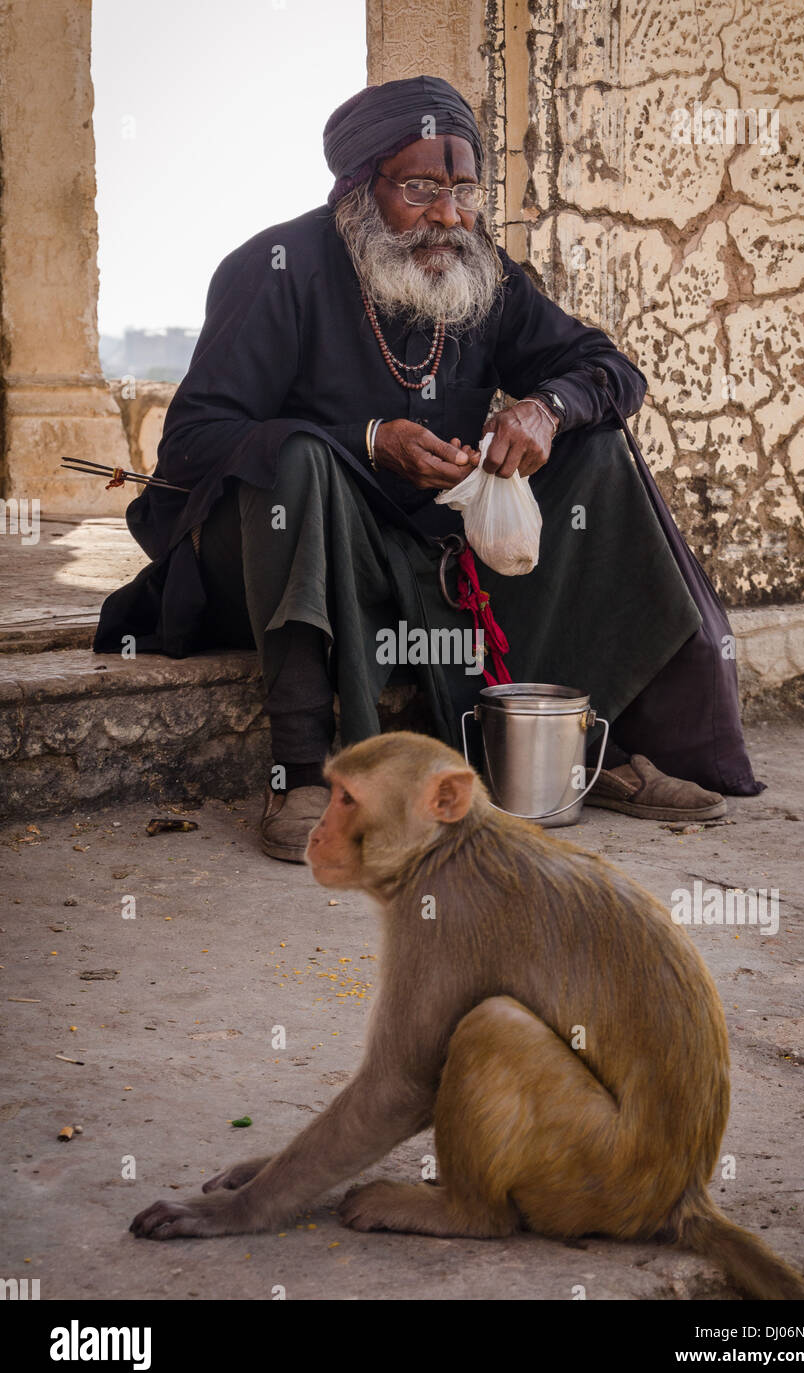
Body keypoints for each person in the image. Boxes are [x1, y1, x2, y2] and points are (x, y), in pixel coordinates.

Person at [95, 75, 762, 862]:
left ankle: (577, 744)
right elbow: (195, 444)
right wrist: (368, 440)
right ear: (355, 188)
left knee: (595, 445)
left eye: (463, 191)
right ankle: (304, 769)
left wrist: (544, 409)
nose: (448, 216)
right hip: (288, 560)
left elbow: (609, 369)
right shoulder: (275, 268)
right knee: (300, 458)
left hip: (428, 556)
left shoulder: (479, 270)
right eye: (420, 189)